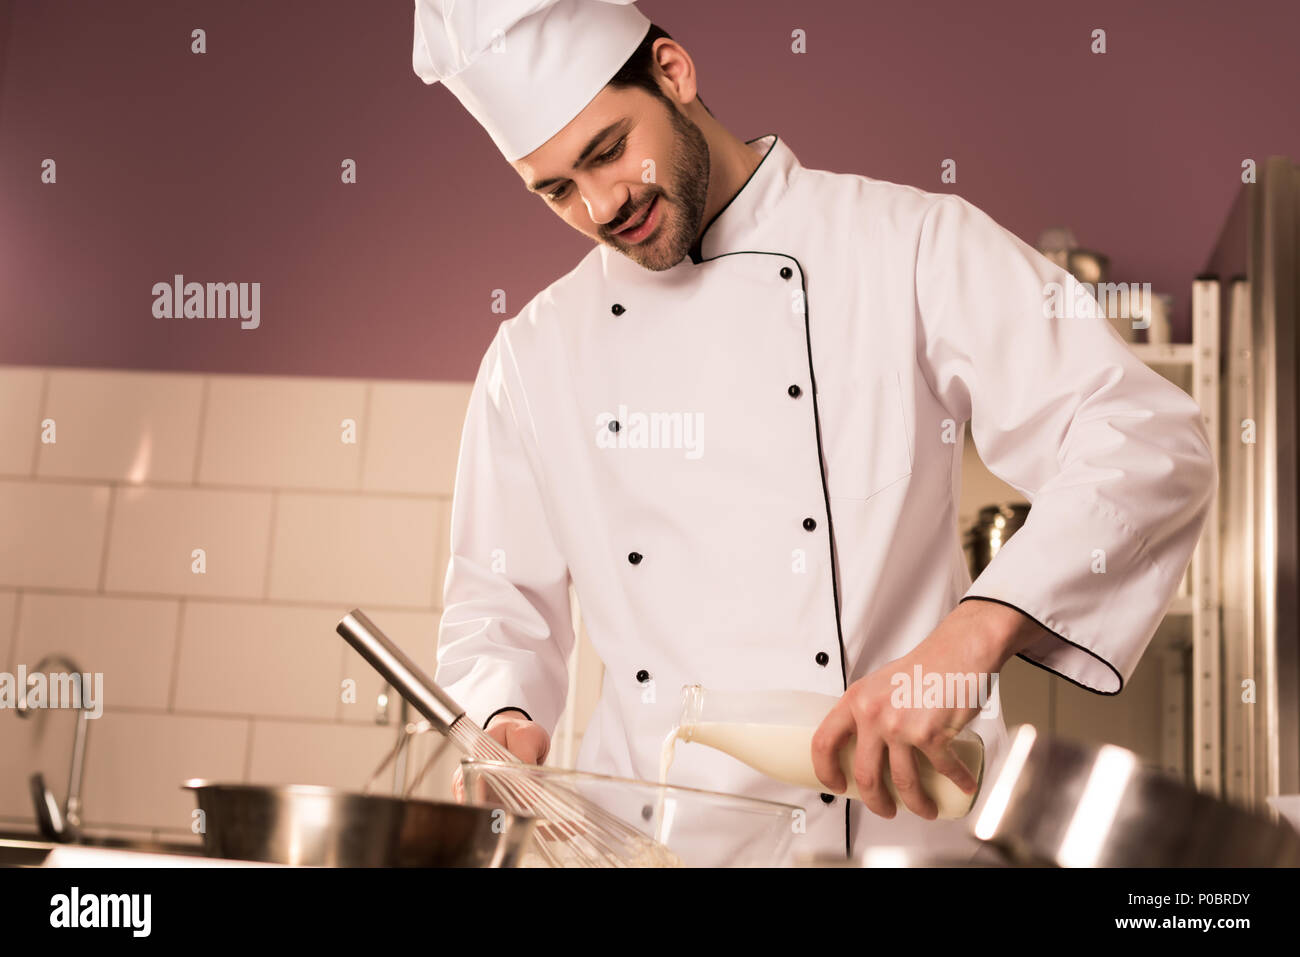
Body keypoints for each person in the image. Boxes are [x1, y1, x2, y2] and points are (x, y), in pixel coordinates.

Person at [413, 0, 1216, 864]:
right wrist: (501, 723)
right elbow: (497, 607)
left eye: (609, 151)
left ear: (675, 73)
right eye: (557, 190)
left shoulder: (904, 246)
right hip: (655, 844)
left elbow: (1142, 435)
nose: (602, 205)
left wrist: (970, 636)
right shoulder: (533, 357)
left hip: (889, 836)